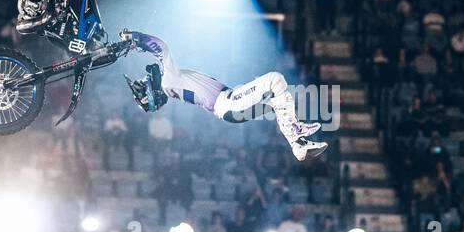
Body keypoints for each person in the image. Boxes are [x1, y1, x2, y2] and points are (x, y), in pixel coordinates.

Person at [120, 30, 327, 161]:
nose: (146, 79)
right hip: (228, 104)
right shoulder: (168, 81)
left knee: (276, 98)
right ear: (151, 92)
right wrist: (135, 38)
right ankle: (295, 131)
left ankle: (298, 144)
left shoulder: (170, 82)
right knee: (275, 79)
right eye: (143, 84)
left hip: (228, 107)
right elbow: (161, 47)